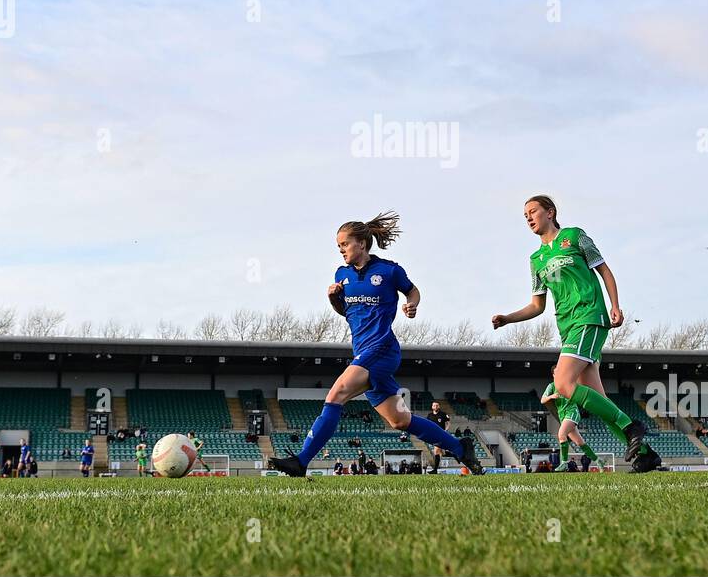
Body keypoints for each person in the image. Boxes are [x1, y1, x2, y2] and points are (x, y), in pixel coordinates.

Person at [268, 212, 483, 476]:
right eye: (338, 247)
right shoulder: (342, 274)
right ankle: (461, 448)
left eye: (344, 244)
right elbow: (346, 312)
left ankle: (301, 461)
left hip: (381, 349)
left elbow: (412, 290)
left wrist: (412, 304)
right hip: (363, 352)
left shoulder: (389, 270)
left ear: (361, 243)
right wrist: (333, 298)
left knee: (335, 396)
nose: (341, 251)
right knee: (399, 420)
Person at [492, 195, 657, 471]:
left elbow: (604, 270)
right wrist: (508, 319)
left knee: (563, 383)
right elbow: (537, 305)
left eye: (533, 212)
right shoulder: (536, 260)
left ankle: (632, 428)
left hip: (589, 316)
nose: (529, 218)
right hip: (567, 327)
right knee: (599, 401)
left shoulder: (575, 237)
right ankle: (645, 454)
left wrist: (615, 305)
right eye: (525, 216)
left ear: (550, 212)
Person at [539, 381, 603, 472]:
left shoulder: (568, 382)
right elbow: (542, 400)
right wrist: (551, 396)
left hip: (572, 412)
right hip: (563, 416)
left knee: (561, 434)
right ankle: (598, 460)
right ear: (554, 374)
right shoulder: (551, 386)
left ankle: (564, 463)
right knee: (580, 442)